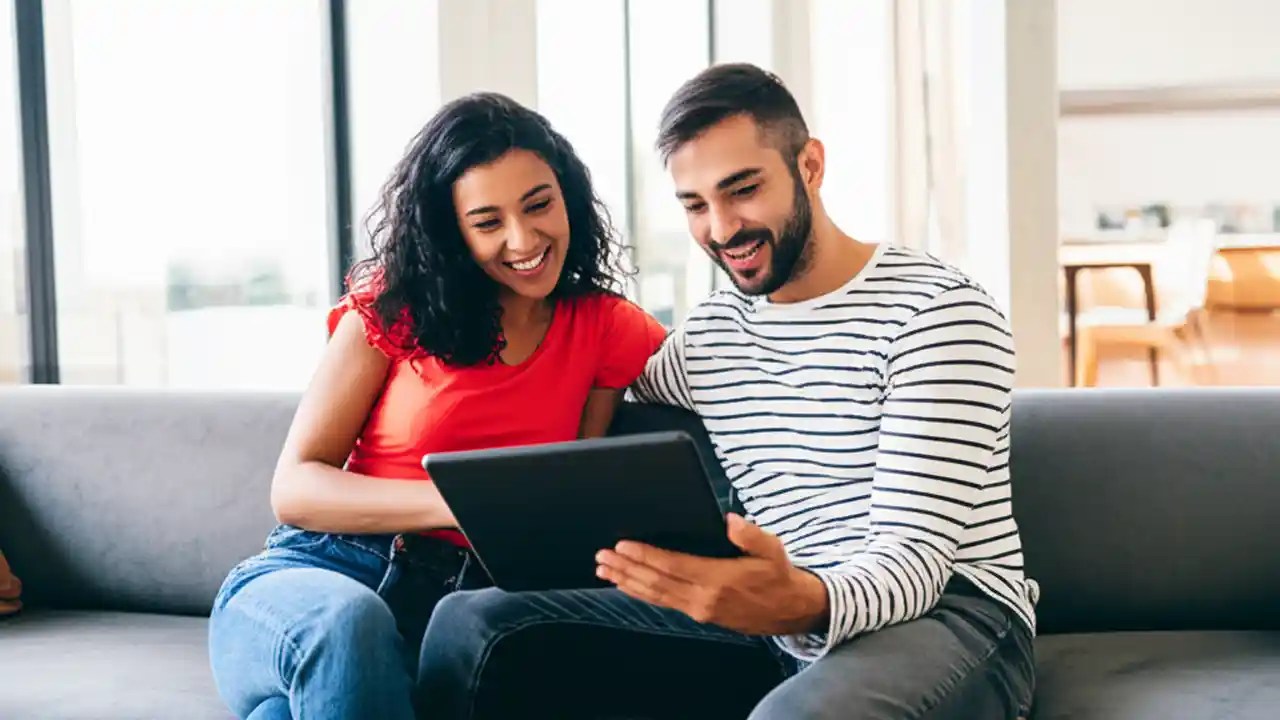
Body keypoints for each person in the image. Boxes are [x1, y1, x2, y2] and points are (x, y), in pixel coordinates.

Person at [420, 64, 1039, 719]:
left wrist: (796, 598)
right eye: (694, 205)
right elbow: (584, 395)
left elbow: (912, 562)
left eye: (743, 190)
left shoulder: (938, 315)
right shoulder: (710, 337)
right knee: (475, 627)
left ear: (810, 166)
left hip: (950, 617)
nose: (721, 229)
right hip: (770, 617)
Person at [206, 92, 667, 720]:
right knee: (349, 626)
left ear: (570, 198)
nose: (523, 238)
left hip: (463, 609)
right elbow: (296, 488)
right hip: (322, 578)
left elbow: (575, 493)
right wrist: (463, 500)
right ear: (452, 232)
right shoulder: (392, 309)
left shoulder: (607, 328)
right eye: (487, 222)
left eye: (539, 205)